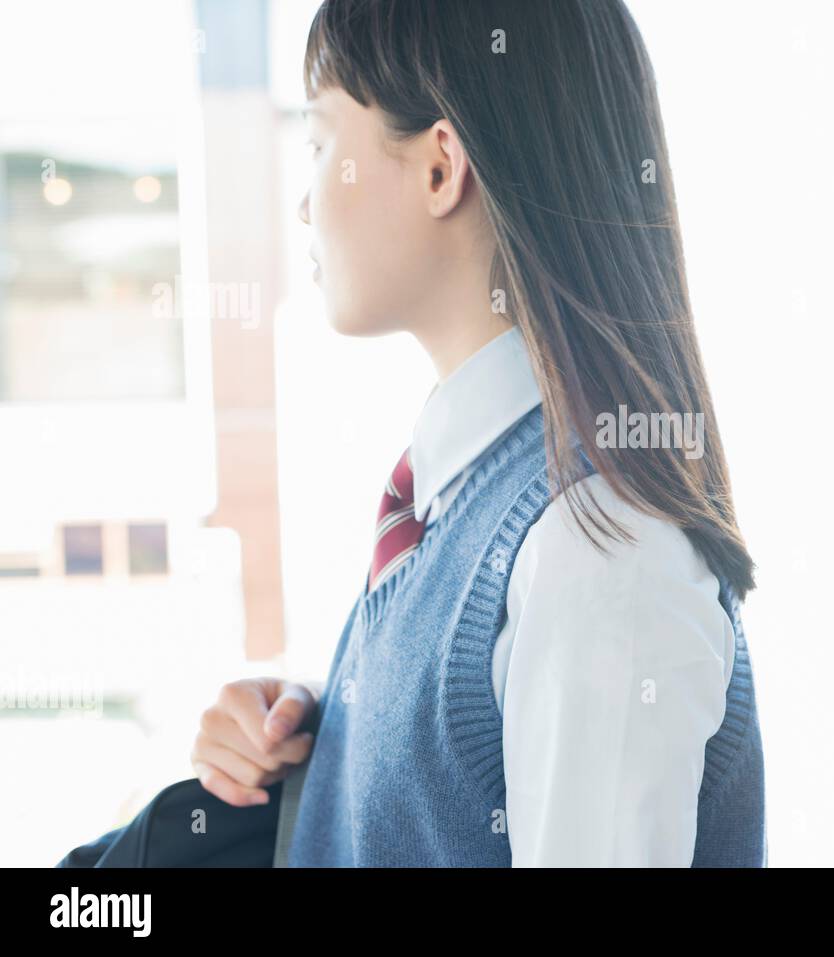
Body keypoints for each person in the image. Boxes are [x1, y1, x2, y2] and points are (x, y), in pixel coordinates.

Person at [188, 0, 765, 866]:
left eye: (319, 145)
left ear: (439, 168)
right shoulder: (464, 504)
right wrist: (322, 730)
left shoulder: (597, 551)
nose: (306, 205)